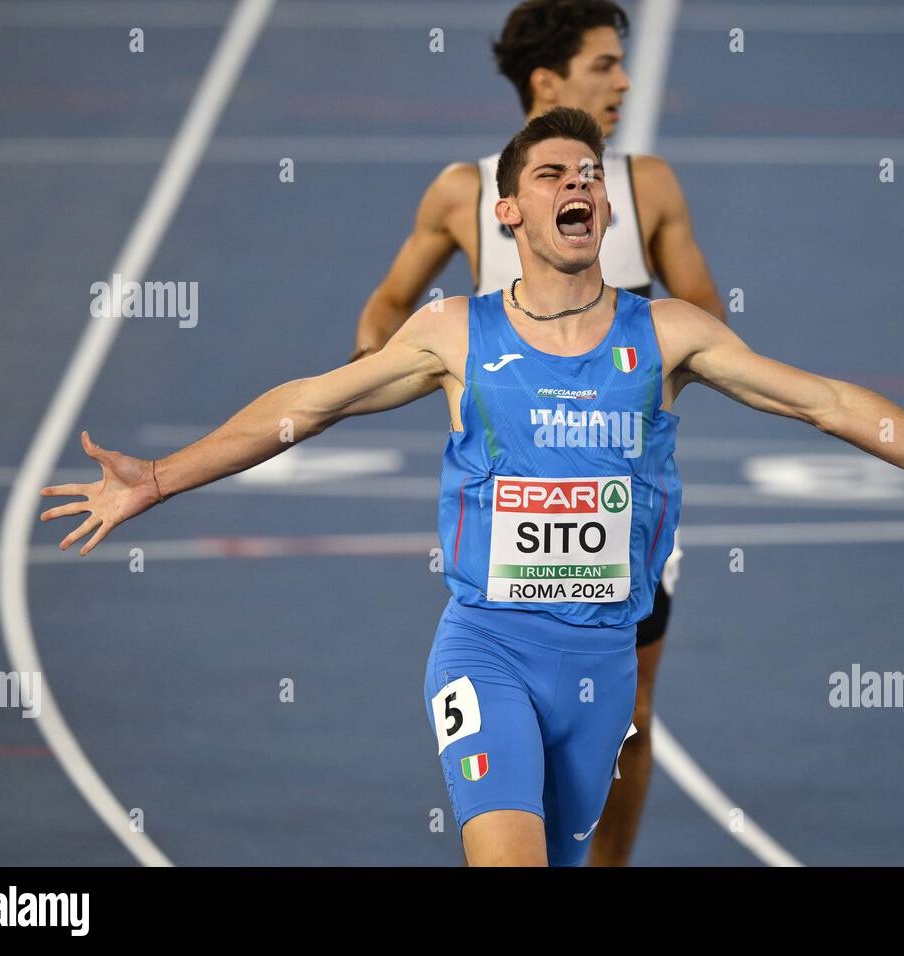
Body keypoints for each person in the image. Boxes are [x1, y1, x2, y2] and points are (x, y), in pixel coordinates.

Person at [44, 107, 904, 867]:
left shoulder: (671, 336)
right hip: (486, 645)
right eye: (552, 175)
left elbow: (831, 403)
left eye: (589, 175)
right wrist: (161, 477)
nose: (578, 185)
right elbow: (306, 405)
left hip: (602, 662)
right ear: (507, 214)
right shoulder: (455, 334)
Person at [349, 0, 723, 866]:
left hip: (623, 514)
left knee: (628, 717)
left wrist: (626, 379)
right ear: (547, 82)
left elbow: (708, 326)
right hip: (513, 506)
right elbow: (384, 307)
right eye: (604, 65)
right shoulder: (464, 192)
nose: (624, 81)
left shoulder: (649, 187)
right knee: (509, 690)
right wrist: (403, 373)